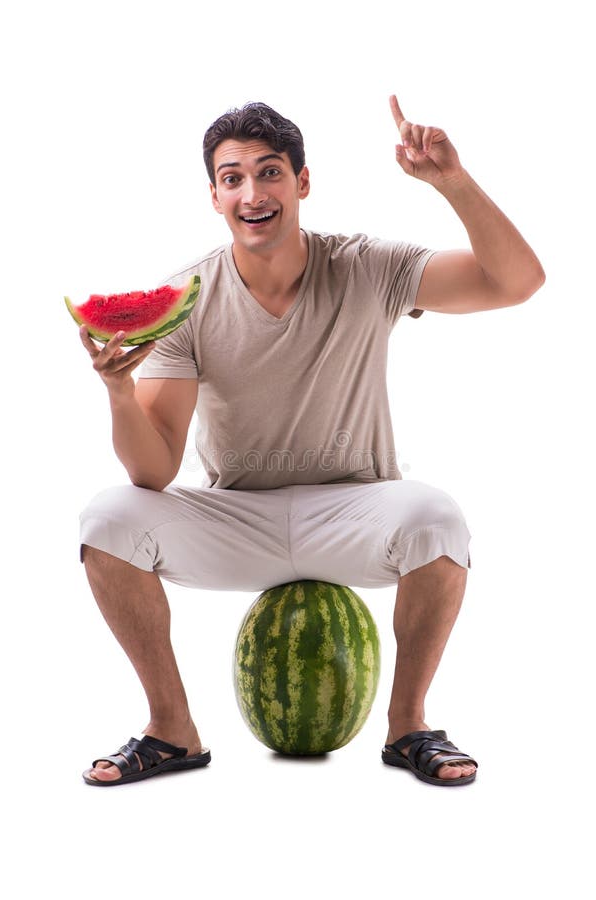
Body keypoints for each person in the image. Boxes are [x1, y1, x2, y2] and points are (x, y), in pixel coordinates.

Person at [77, 95, 545, 788]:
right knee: (108, 518)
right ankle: (171, 729)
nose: (252, 192)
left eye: (269, 173)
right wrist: (118, 390)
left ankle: (408, 726)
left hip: (354, 512)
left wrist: (452, 182)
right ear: (213, 196)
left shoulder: (367, 266)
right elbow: (153, 471)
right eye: (232, 177)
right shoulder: (185, 297)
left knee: (436, 518)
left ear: (302, 182)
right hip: (239, 518)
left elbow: (516, 283)